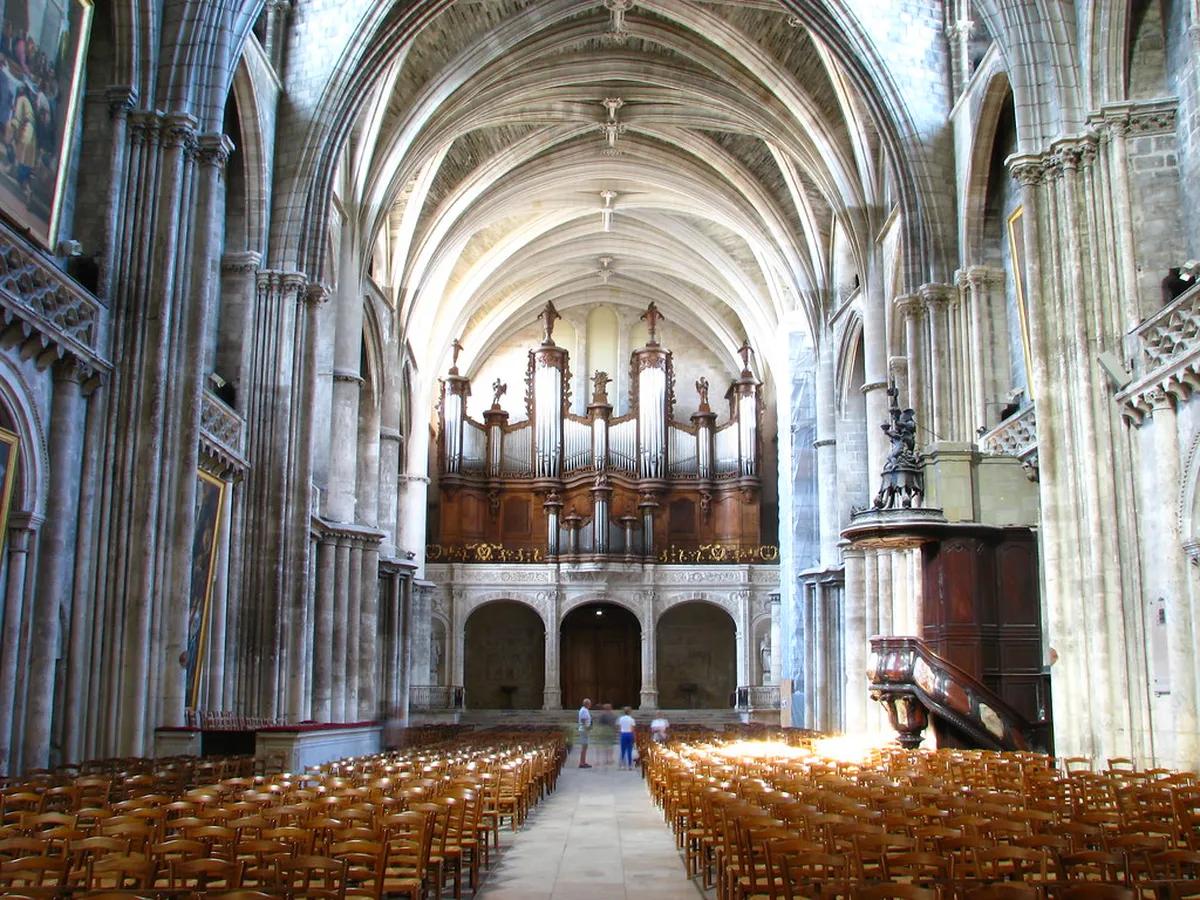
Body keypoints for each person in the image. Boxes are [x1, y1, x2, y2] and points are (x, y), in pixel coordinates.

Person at [577, 698, 593, 768]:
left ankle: (583, 761)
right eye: (589, 703)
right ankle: (581, 763)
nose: (590, 705)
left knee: (585, 746)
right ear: (586, 704)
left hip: (585, 729)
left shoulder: (585, 710)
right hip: (584, 730)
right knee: (584, 747)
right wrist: (587, 728)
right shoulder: (583, 710)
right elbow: (583, 720)